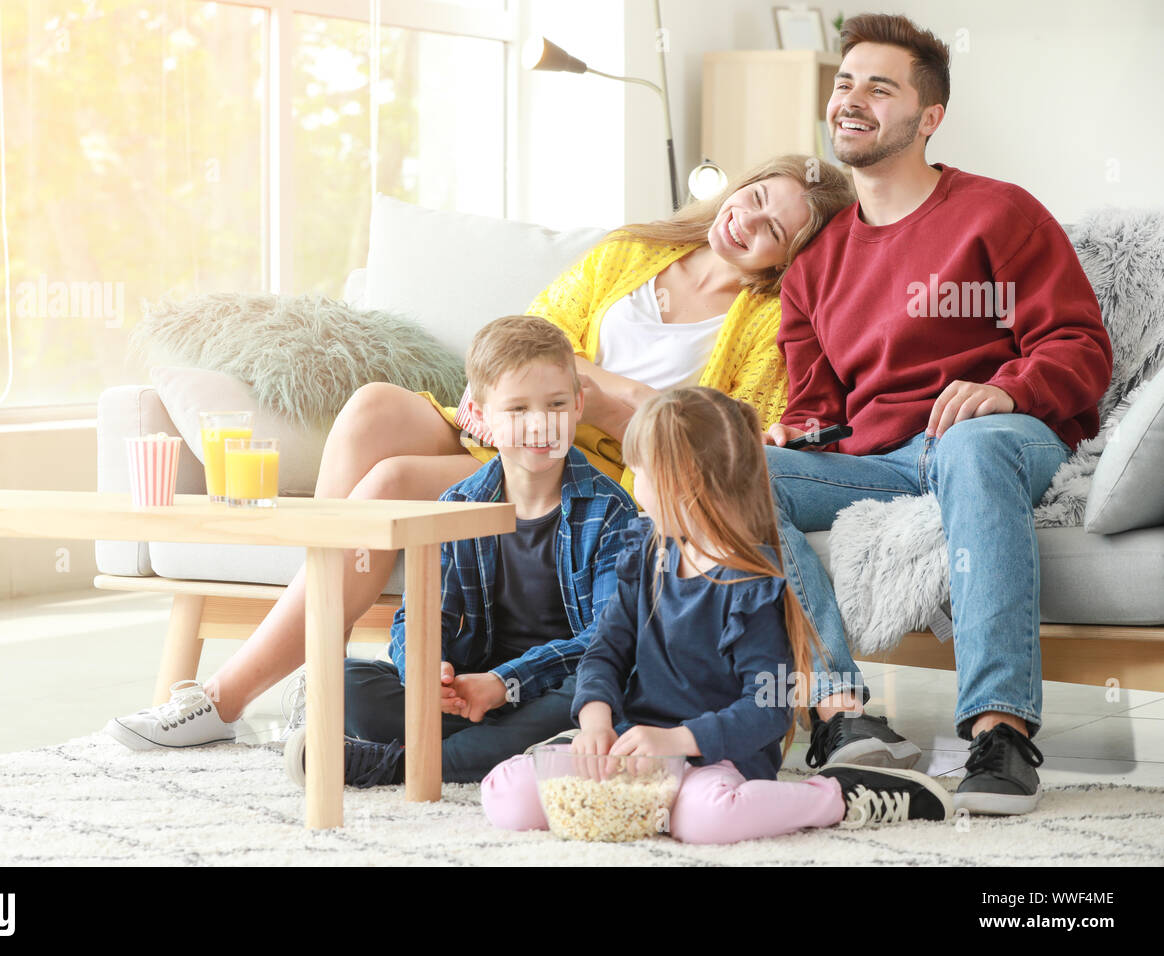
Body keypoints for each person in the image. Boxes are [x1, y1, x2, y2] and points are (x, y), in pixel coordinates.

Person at [104, 155, 853, 749]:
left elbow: (711, 433)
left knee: (393, 480)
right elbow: (529, 335)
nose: (747, 219)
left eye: (774, 227)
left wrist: (590, 392)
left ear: (788, 259)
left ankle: (225, 696)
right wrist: (548, 392)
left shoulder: (766, 322)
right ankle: (318, 665)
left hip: (569, 462)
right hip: (503, 421)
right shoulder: (634, 253)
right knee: (372, 409)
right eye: (754, 196)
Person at [760, 14, 1113, 815]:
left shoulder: (998, 213)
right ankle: (840, 716)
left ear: (929, 118)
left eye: (879, 88)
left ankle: (1001, 732)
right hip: (880, 463)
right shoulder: (812, 271)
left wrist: (1008, 389)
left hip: (997, 439)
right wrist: (791, 434)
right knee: (738, 471)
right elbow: (816, 407)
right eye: (844, 83)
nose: (852, 100)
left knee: (972, 448)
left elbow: (1083, 346)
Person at [481, 388, 952, 842]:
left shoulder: (752, 586)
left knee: (706, 820)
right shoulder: (643, 554)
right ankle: (649, 799)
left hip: (718, 756)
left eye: (639, 471)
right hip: (637, 744)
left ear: (683, 483)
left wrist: (678, 743)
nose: (632, 482)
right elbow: (606, 651)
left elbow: (767, 710)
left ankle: (841, 797)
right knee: (507, 794)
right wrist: (596, 720)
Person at [277, 316, 636, 786]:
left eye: (556, 404)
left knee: (594, 706)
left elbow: (606, 640)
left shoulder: (610, 511)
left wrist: (506, 684)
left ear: (578, 406)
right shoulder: (459, 505)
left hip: (564, 687)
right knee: (343, 681)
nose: (540, 423)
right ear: (483, 416)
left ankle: (400, 764)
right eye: (518, 409)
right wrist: (426, 671)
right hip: (473, 689)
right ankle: (493, 752)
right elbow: (420, 615)